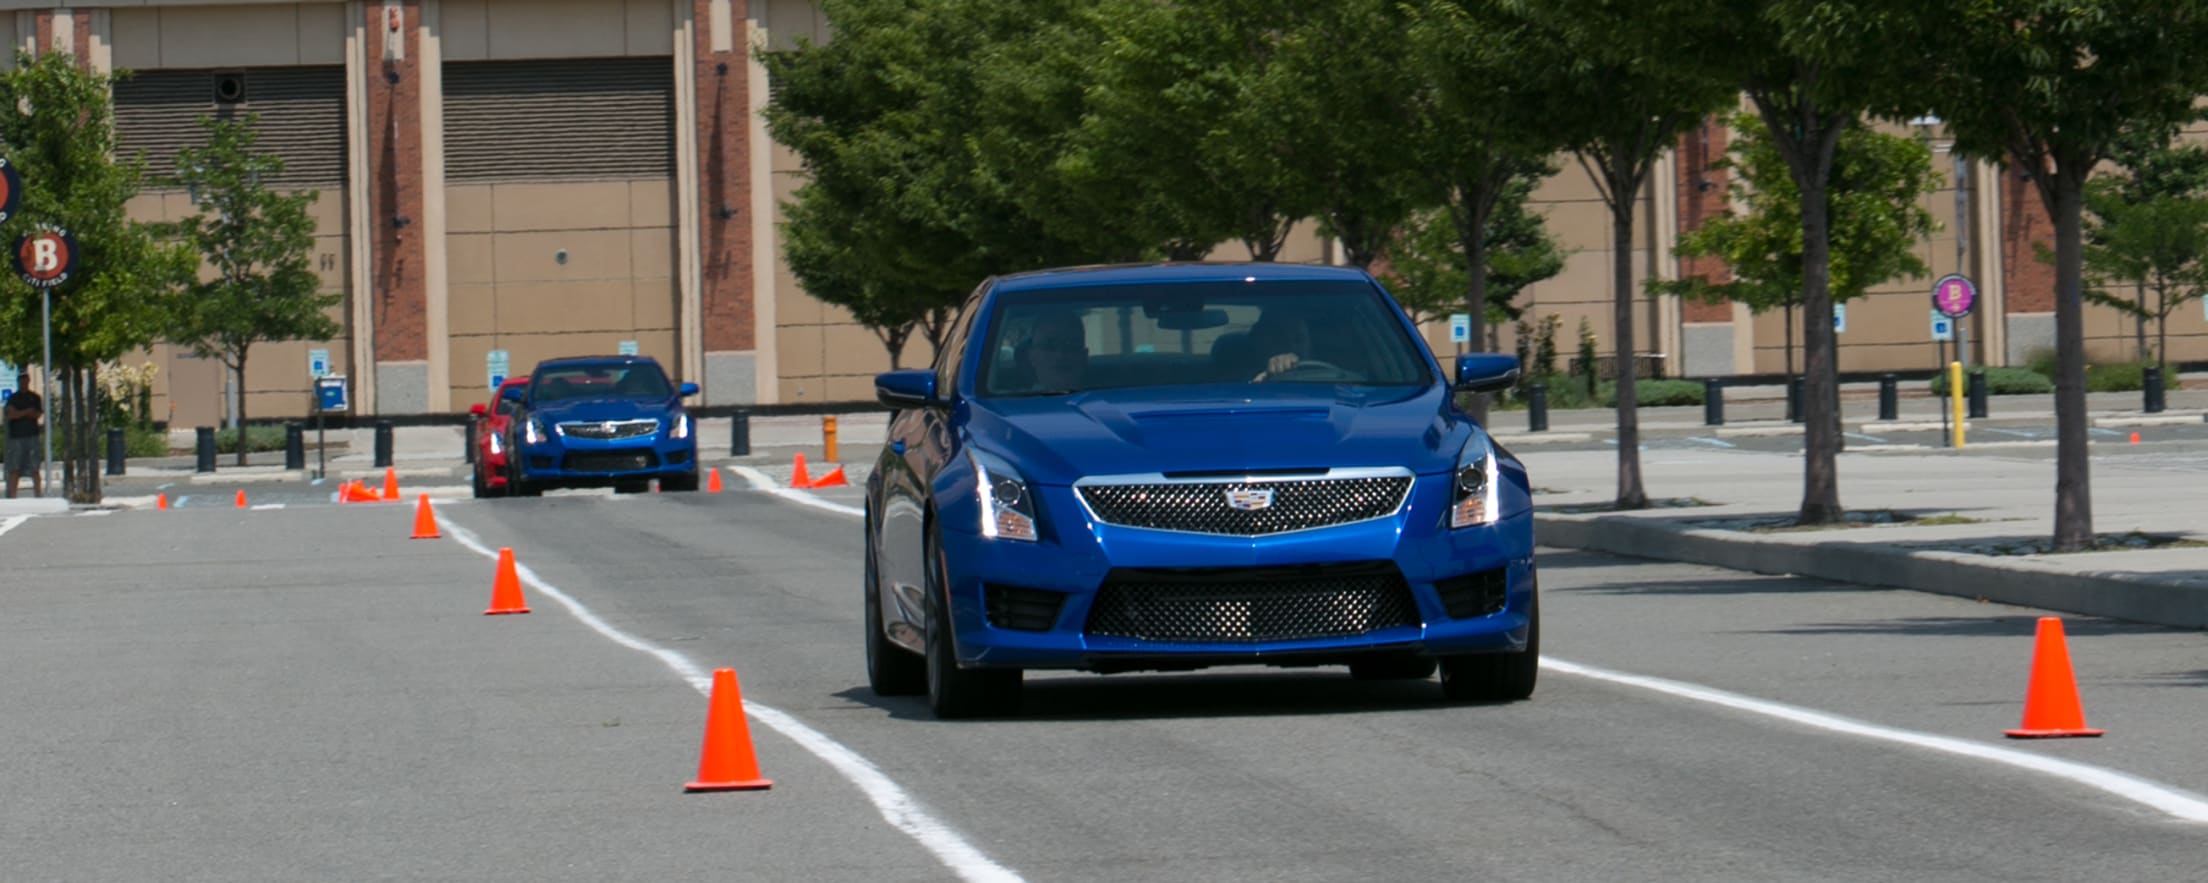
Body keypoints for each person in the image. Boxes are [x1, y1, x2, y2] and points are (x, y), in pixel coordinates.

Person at [1012, 311, 1088, 393]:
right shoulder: (1011, 403)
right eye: (1049, 346)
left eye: (1071, 345)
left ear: (1084, 356)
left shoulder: (1101, 403)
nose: (1060, 355)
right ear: (1032, 356)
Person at [1247, 311, 1314, 381]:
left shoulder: (1325, 380)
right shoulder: (1245, 381)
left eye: (1299, 339)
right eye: (1281, 339)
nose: (1291, 346)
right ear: (1261, 344)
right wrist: (1267, 377)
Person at [5, 372, 41, 498]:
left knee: (35, 468)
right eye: (21, 382)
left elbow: (36, 414)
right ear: (18, 383)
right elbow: (11, 415)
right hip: (16, 438)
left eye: (25, 382)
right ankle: (13, 495)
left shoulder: (35, 397)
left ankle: (38, 494)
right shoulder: (13, 398)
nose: (23, 384)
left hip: (32, 436)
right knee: (14, 468)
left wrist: (19, 413)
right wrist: (26, 412)